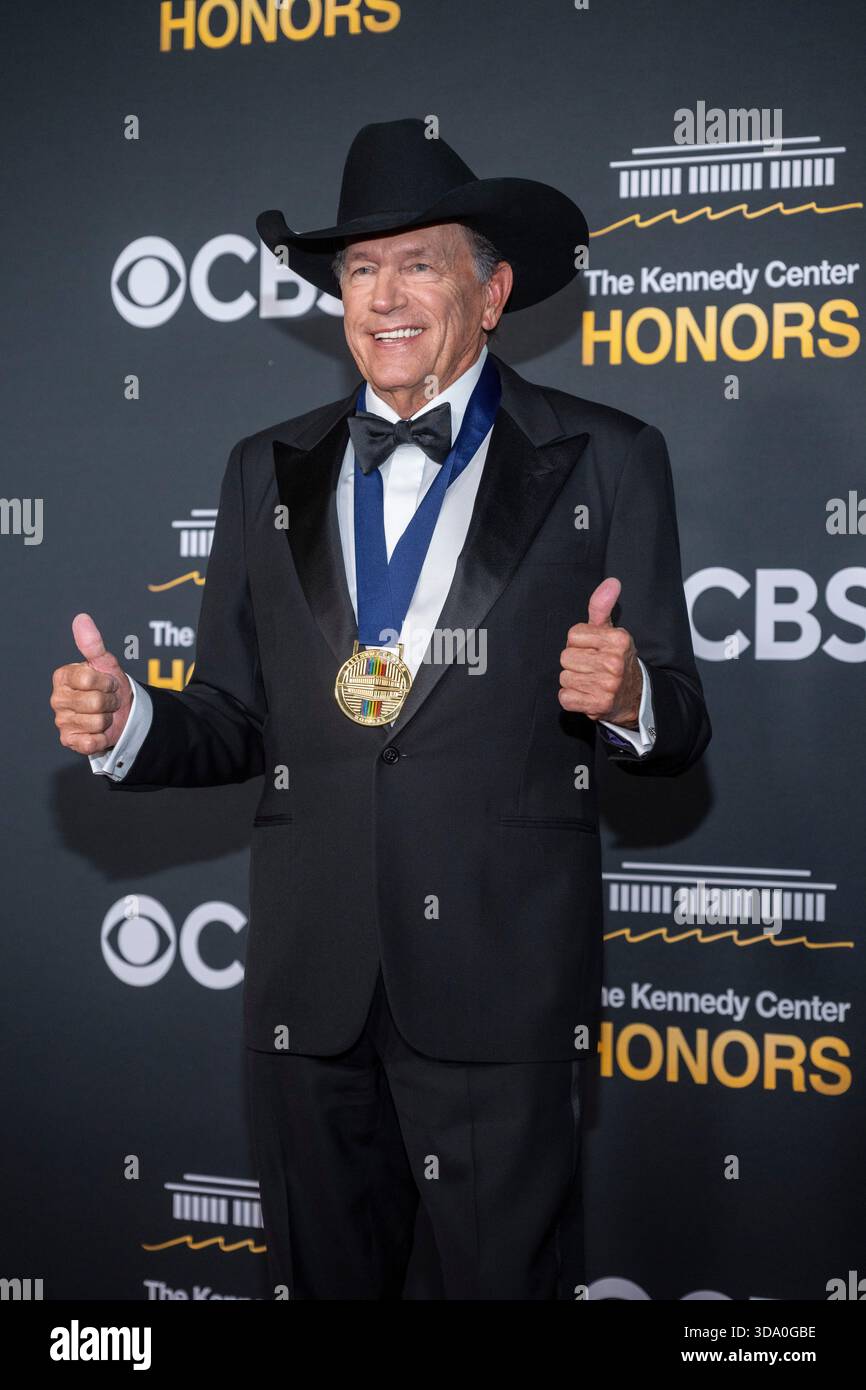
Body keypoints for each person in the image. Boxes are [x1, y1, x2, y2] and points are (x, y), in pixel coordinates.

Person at [50, 118, 710, 1300]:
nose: (384, 296)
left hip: (500, 990)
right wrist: (131, 721)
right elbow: (234, 715)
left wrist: (629, 698)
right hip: (312, 991)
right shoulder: (268, 467)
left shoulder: (607, 456)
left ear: (493, 289)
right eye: (360, 269)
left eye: (419, 263)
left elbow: (680, 722)